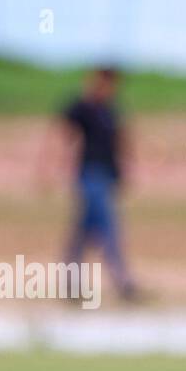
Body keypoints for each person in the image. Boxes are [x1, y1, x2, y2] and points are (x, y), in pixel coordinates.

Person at [42, 66, 139, 300]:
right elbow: (61, 135)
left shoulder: (110, 109)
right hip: (89, 175)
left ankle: (71, 284)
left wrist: (125, 170)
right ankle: (123, 282)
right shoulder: (83, 107)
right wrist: (49, 167)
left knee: (83, 232)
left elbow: (121, 140)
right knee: (107, 228)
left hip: (106, 176)